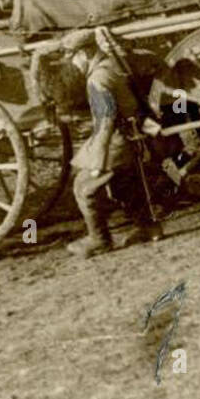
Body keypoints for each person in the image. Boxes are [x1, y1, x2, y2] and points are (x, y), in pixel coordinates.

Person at [61, 28, 162, 257]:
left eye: (74, 58)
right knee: (123, 185)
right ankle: (149, 227)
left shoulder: (97, 79)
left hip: (117, 142)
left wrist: (98, 162)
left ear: (85, 54)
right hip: (131, 137)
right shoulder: (110, 68)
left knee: (83, 186)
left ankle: (99, 240)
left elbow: (106, 122)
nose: (74, 65)